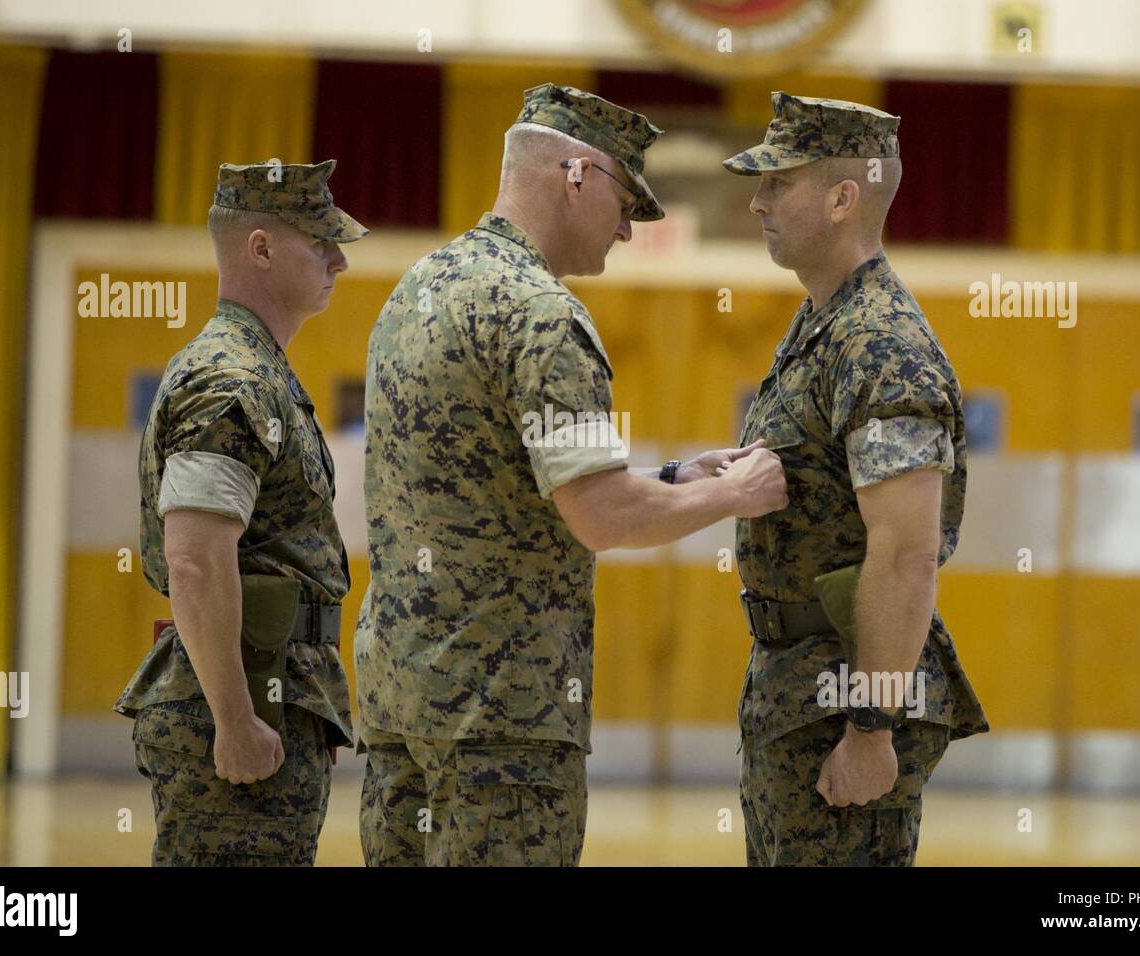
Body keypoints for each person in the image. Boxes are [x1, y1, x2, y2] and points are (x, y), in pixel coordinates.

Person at [355, 84, 788, 867]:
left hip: (400, 707)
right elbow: (601, 515)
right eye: (627, 200)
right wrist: (735, 494)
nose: (629, 227)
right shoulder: (541, 315)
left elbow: (503, 479)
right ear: (577, 174)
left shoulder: (417, 290)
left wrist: (674, 477)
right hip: (504, 726)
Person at [721, 94, 989, 866]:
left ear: (844, 198)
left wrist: (872, 727)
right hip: (797, 695)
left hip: (842, 703)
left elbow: (907, 553)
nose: (757, 199)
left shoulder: (879, 343)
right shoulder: (823, 322)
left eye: (778, 182)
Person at [115, 159, 366, 866]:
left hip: (273, 689)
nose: (339, 259)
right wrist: (235, 719)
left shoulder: (262, 371)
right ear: (260, 248)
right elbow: (194, 559)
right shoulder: (231, 377)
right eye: (320, 240)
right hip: (241, 698)